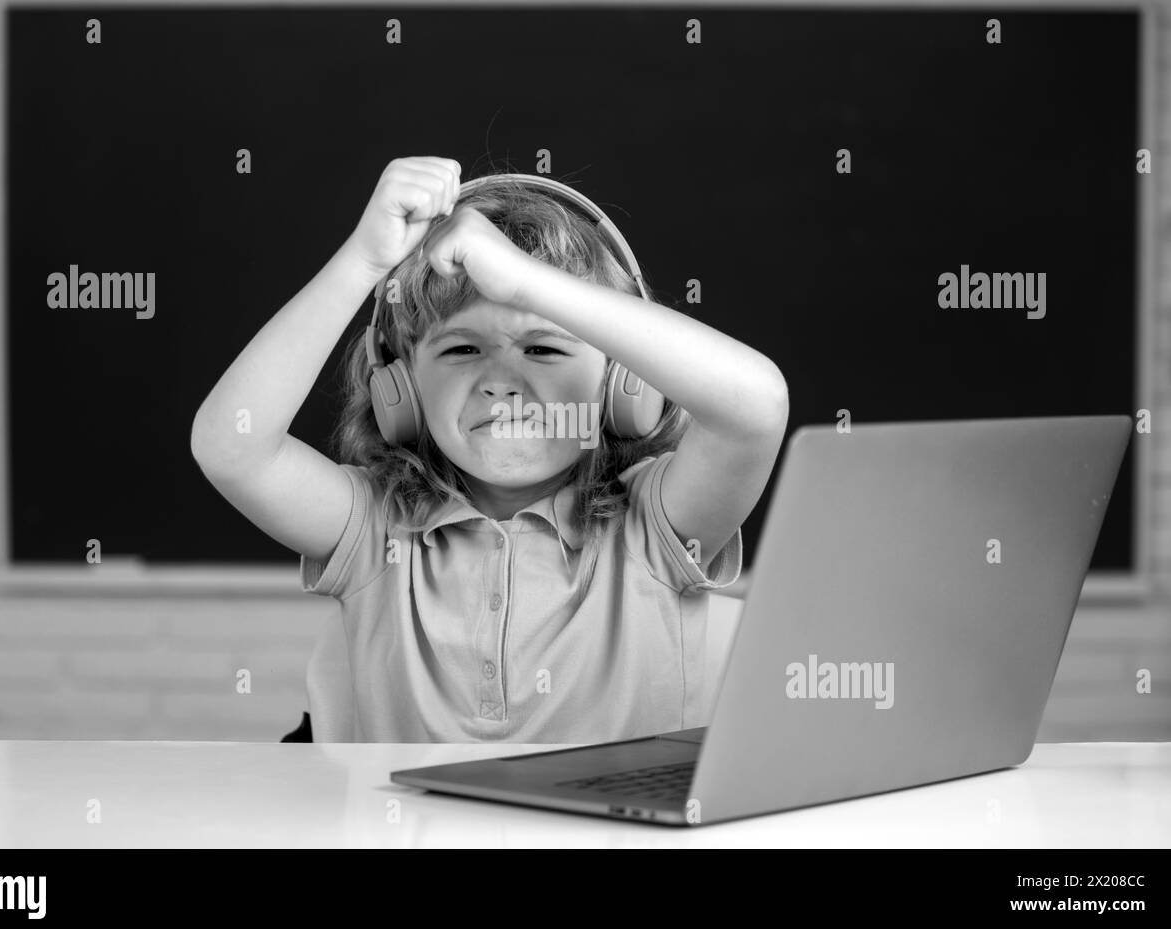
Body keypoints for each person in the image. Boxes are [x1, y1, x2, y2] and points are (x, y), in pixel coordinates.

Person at [191, 156, 789, 743]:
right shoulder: (375, 531)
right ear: (399, 390)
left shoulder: (656, 528)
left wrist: (523, 280)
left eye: (545, 350)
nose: (501, 383)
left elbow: (755, 407)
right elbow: (231, 448)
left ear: (619, 388)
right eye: (461, 350)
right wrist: (364, 260)